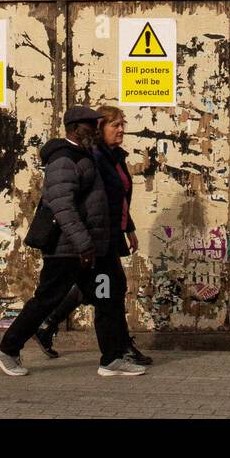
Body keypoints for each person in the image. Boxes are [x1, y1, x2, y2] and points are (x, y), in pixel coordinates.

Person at [0, 105, 145, 377]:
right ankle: (7, 348)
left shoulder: (83, 155)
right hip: (66, 248)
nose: (96, 131)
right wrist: (84, 244)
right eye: (91, 127)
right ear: (75, 129)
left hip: (89, 248)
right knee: (47, 300)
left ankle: (112, 359)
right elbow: (63, 207)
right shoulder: (63, 159)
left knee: (107, 296)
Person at [33, 104, 151, 366]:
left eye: (123, 124)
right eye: (115, 125)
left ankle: (115, 348)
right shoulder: (95, 156)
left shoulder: (113, 156)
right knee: (105, 291)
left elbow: (115, 197)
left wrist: (128, 226)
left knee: (105, 290)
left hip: (109, 232)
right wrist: (85, 239)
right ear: (100, 129)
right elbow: (85, 200)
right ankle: (115, 353)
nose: (121, 130)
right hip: (97, 236)